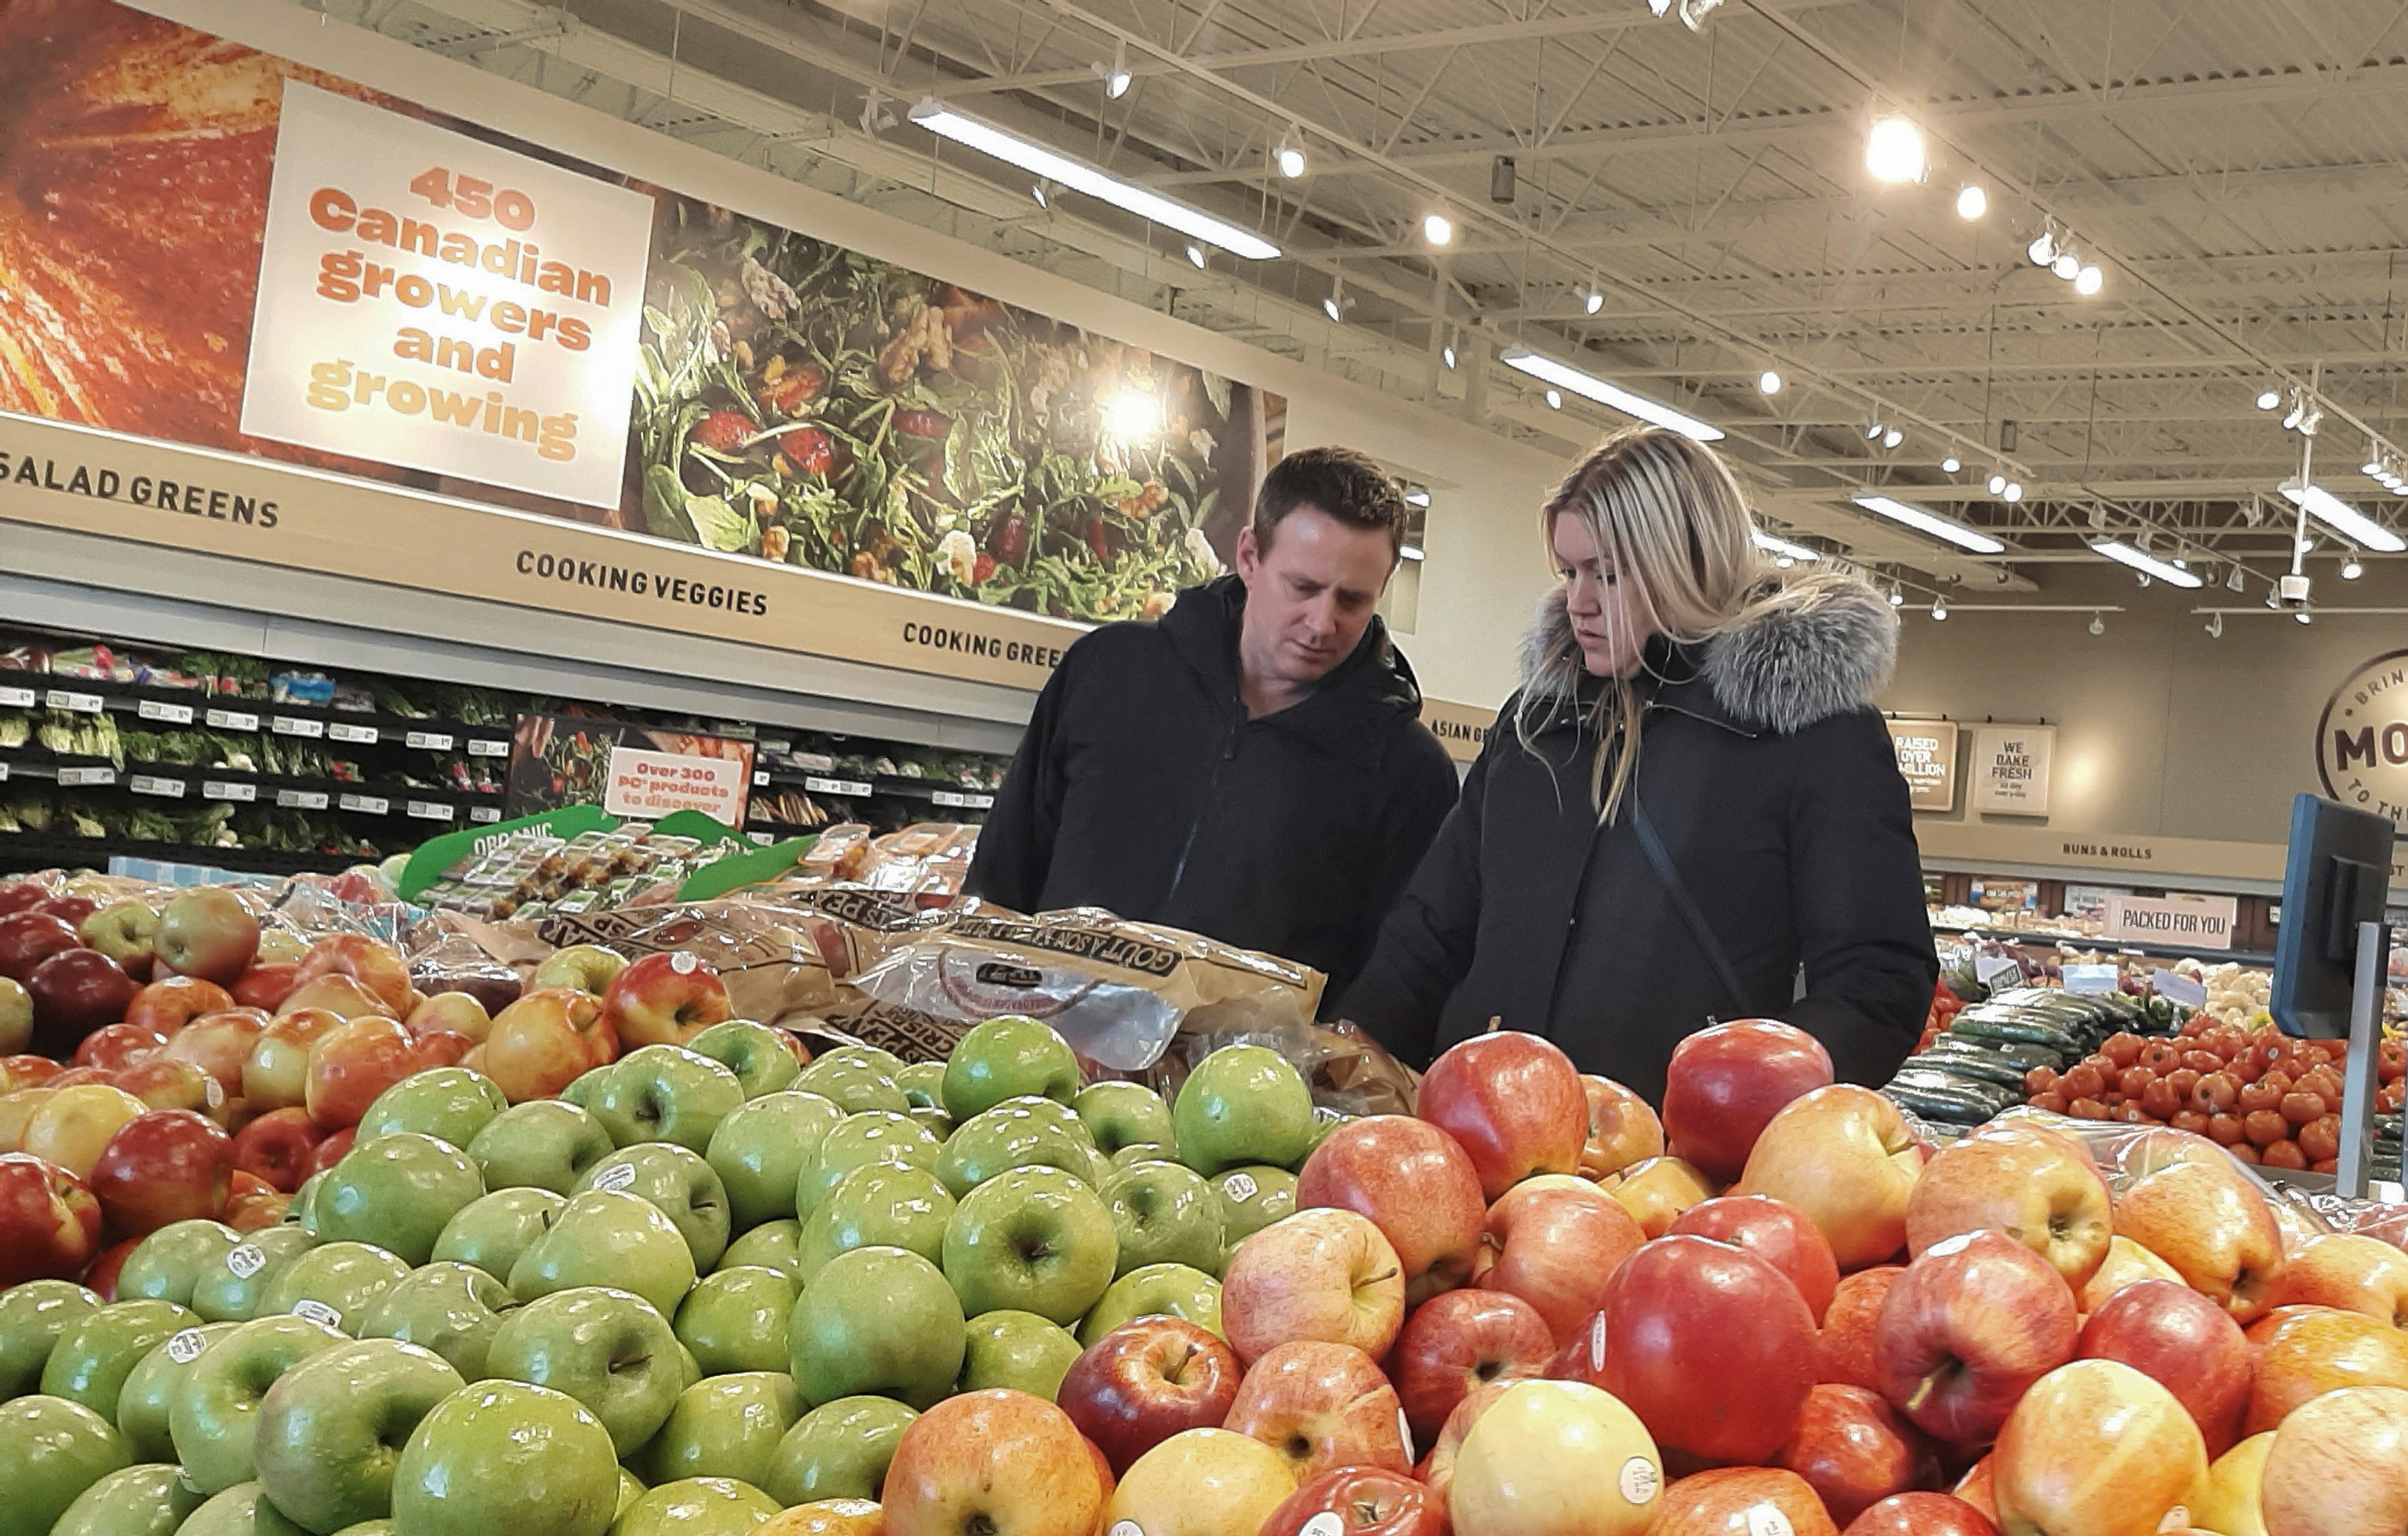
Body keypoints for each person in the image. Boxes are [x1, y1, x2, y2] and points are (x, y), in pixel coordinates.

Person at [1340, 426, 1936, 1102]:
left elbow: (1877, 981)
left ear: (1686, 561)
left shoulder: (1811, 735)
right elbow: (1430, 932)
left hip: (1675, 1169)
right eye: (1569, 572)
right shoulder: (1536, 723)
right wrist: (1351, 1049)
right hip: (1482, 1132)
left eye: (1609, 573)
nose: (1579, 601)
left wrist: (1743, 1101)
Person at [967, 445, 1461, 1006]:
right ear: (1248, 556)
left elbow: (1387, 984)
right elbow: (1002, 876)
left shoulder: (1407, 771)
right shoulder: (1107, 671)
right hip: (1036, 1051)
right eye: (1302, 587)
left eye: (1353, 600)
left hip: (1238, 1086)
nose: (1323, 623)